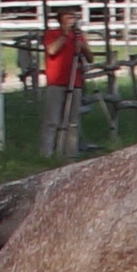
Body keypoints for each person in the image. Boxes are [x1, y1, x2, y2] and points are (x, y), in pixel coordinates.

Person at [38, 10, 90, 160]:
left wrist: (83, 45)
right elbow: (52, 50)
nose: (72, 21)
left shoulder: (78, 36)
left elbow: (90, 57)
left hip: (75, 81)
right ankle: (46, 154)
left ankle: (70, 154)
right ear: (61, 20)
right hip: (57, 81)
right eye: (68, 18)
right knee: (52, 120)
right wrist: (65, 35)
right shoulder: (52, 33)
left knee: (73, 121)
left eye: (73, 18)